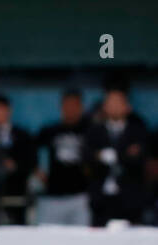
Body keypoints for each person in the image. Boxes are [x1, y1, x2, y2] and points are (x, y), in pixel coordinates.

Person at [84, 83, 148, 226]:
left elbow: (140, 157)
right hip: (101, 200)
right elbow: (86, 155)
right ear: (104, 107)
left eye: (118, 102)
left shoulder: (138, 130)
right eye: (110, 102)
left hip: (130, 199)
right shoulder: (95, 130)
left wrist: (111, 155)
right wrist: (122, 154)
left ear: (128, 107)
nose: (114, 106)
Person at [35, 89, 91, 225]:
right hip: (52, 196)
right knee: (48, 242)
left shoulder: (90, 131)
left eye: (74, 105)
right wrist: (37, 170)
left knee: (81, 241)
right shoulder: (49, 131)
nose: (70, 109)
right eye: (67, 105)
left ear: (81, 107)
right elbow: (33, 155)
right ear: (61, 107)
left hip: (80, 196)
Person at [0, 94, 36, 224]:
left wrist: (14, 166)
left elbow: (31, 162)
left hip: (16, 195)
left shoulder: (22, 135)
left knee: (16, 235)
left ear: (8, 110)